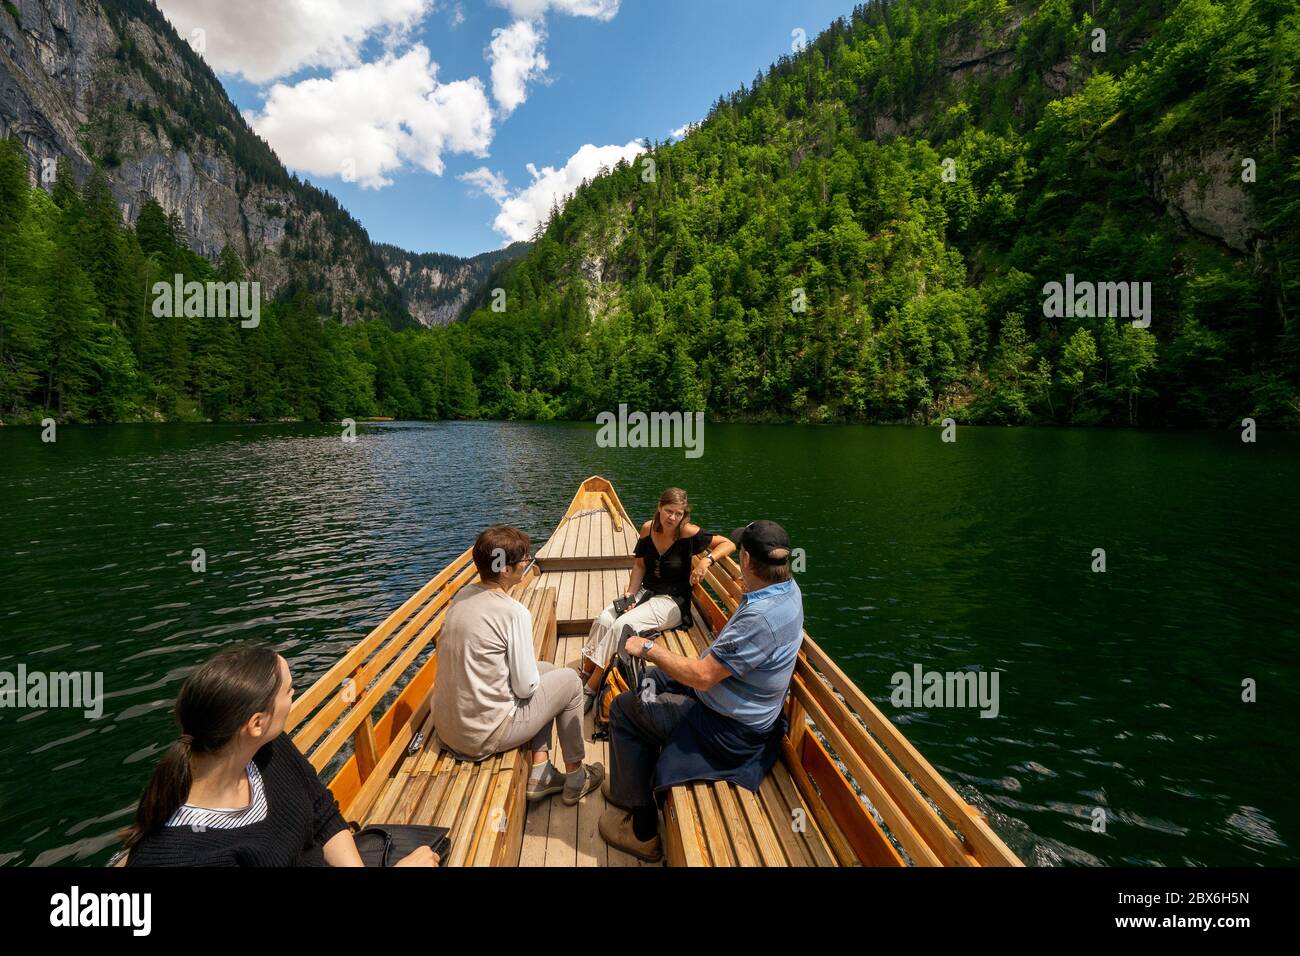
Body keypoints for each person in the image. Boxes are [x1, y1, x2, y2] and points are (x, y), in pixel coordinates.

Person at [120, 645, 437, 866]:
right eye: (288, 690)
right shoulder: (187, 856)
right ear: (256, 723)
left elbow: (322, 813)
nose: (294, 694)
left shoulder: (267, 750)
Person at [599, 520, 803, 862]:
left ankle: (642, 832)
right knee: (649, 681)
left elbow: (704, 677)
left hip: (726, 726)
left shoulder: (762, 618)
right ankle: (629, 785)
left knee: (623, 709)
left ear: (748, 561)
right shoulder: (786, 589)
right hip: (732, 698)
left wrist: (649, 648)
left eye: (740, 555)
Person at [432, 525, 604, 804]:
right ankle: (576, 778)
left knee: (546, 670)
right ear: (504, 568)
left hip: (450, 728)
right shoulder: (513, 613)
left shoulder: (462, 596)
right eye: (523, 559)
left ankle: (540, 770)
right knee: (571, 681)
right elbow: (525, 689)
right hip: (482, 736)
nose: (527, 563)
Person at [579, 487, 735, 711]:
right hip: (646, 593)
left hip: (673, 601)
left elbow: (728, 543)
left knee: (623, 625)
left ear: (684, 515)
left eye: (678, 513)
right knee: (605, 618)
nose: (673, 517)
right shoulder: (647, 529)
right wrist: (631, 593)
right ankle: (586, 669)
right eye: (669, 511)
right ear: (659, 508)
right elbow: (640, 564)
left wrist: (706, 561)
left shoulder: (688, 533)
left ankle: (591, 687)